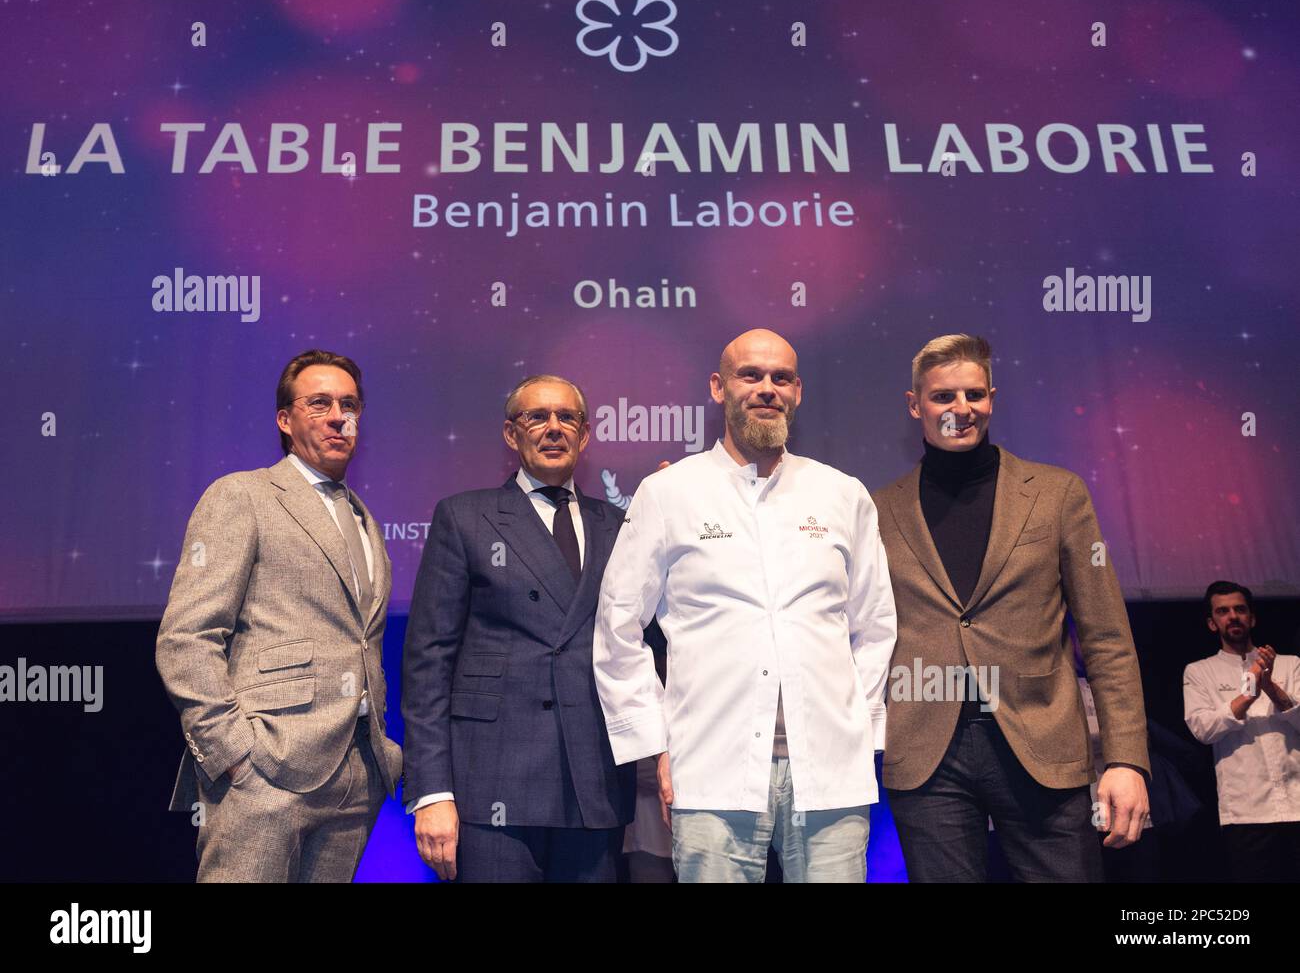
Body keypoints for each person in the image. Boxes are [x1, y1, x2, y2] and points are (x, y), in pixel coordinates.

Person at [593, 328, 897, 883]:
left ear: (798, 391)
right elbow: (617, 627)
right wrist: (654, 744)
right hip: (711, 768)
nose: (766, 388)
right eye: (750, 375)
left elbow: (875, 625)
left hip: (830, 770)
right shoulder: (668, 494)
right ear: (718, 387)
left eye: (781, 378)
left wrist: (861, 725)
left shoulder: (842, 494)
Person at [874, 333, 1149, 882]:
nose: (960, 409)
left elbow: (1106, 637)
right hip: (928, 755)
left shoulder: (1056, 494)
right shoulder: (877, 510)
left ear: (992, 399)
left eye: (973, 395)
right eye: (943, 396)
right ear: (914, 405)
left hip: (1041, 743)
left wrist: (1125, 759)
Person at [156, 349, 401, 882]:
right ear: (284, 420)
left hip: (354, 775)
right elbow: (187, 638)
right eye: (319, 403)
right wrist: (234, 755)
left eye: (349, 404)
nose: (339, 416)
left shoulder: (364, 517)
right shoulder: (242, 495)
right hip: (265, 767)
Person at [402, 375, 635, 882]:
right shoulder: (466, 517)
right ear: (512, 434)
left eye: (566, 418)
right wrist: (432, 791)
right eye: (537, 417)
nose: (554, 429)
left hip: (592, 786)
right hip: (491, 787)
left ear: (586, 433)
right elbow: (427, 664)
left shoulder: (618, 525)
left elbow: (646, 649)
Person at [1184, 580, 1300, 882]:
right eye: (1223, 611)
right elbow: (1202, 729)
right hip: (1246, 811)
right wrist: (1250, 690)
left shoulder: (1290, 664)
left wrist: (1271, 687)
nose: (1232, 616)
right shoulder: (1199, 671)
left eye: (1240, 609)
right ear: (1212, 623)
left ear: (1252, 618)